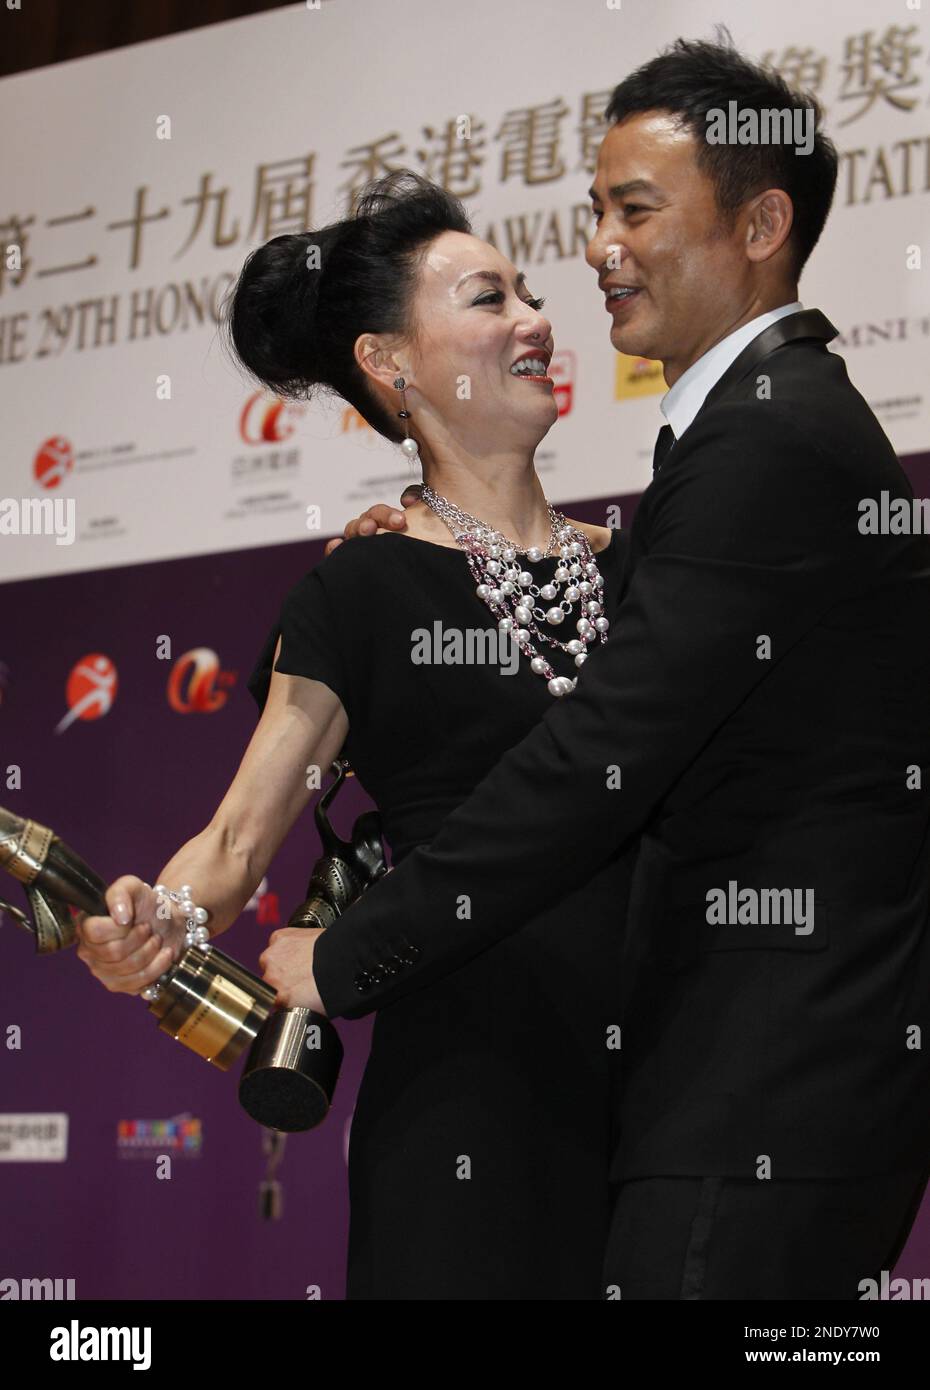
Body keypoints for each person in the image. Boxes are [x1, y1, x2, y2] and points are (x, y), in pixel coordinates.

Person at [268, 35, 930, 1299]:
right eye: (593, 209)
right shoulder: (744, 438)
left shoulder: (768, 442)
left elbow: (600, 757)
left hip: (764, 1094)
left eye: (636, 209)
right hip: (724, 1096)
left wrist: (349, 953)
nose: (594, 249)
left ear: (760, 223)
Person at [73, 170, 635, 1299]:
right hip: (471, 1109)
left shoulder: (649, 561)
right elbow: (237, 842)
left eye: (528, 291)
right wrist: (156, 921)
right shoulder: (361, 590)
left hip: (675, 1092)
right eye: (489, 298)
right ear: (392, 363)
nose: (536, 318)